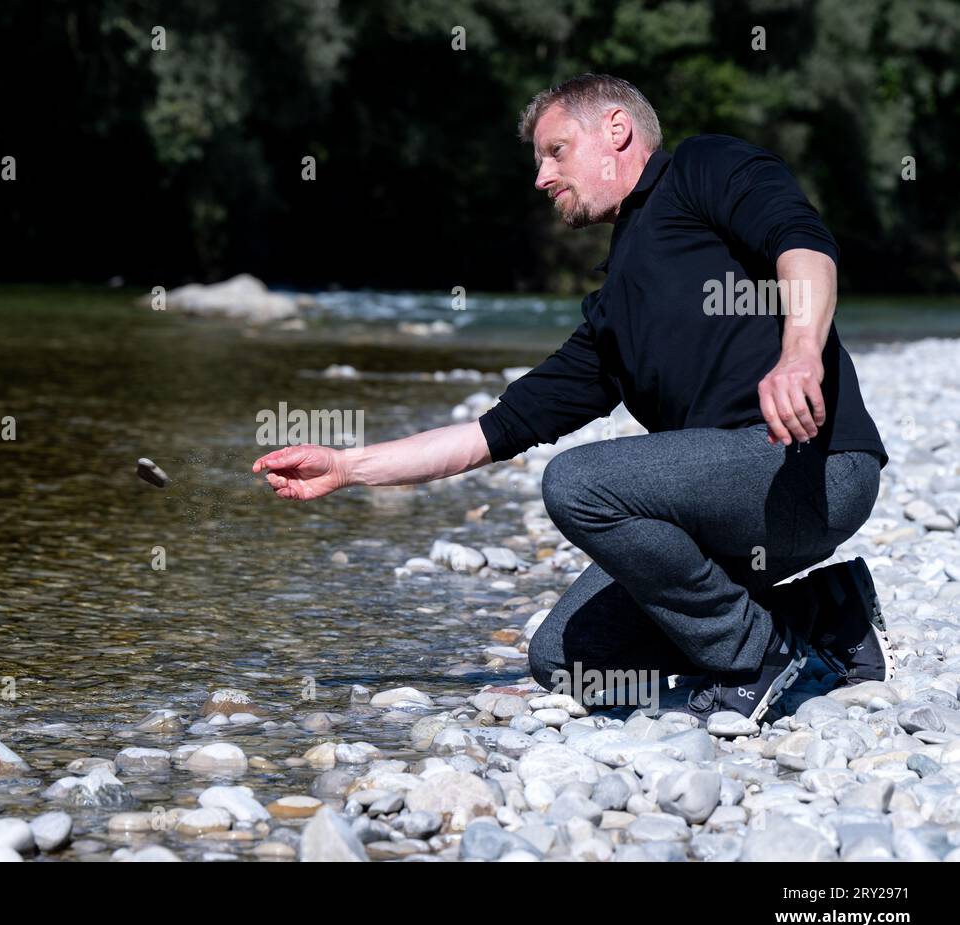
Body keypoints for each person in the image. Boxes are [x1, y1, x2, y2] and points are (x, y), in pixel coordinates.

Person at [252, 73, 891, 724]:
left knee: (577, 482)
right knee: (566, 658)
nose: (541, 177)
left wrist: (800, 351)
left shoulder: (704, 167)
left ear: (616, 130)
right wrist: (347, 467)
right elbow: (493, 431)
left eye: (555, 151)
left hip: (810, 468)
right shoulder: (612, 313)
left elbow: (804, 242)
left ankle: (754, 659)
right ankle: (828, 613)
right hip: (725, 515)